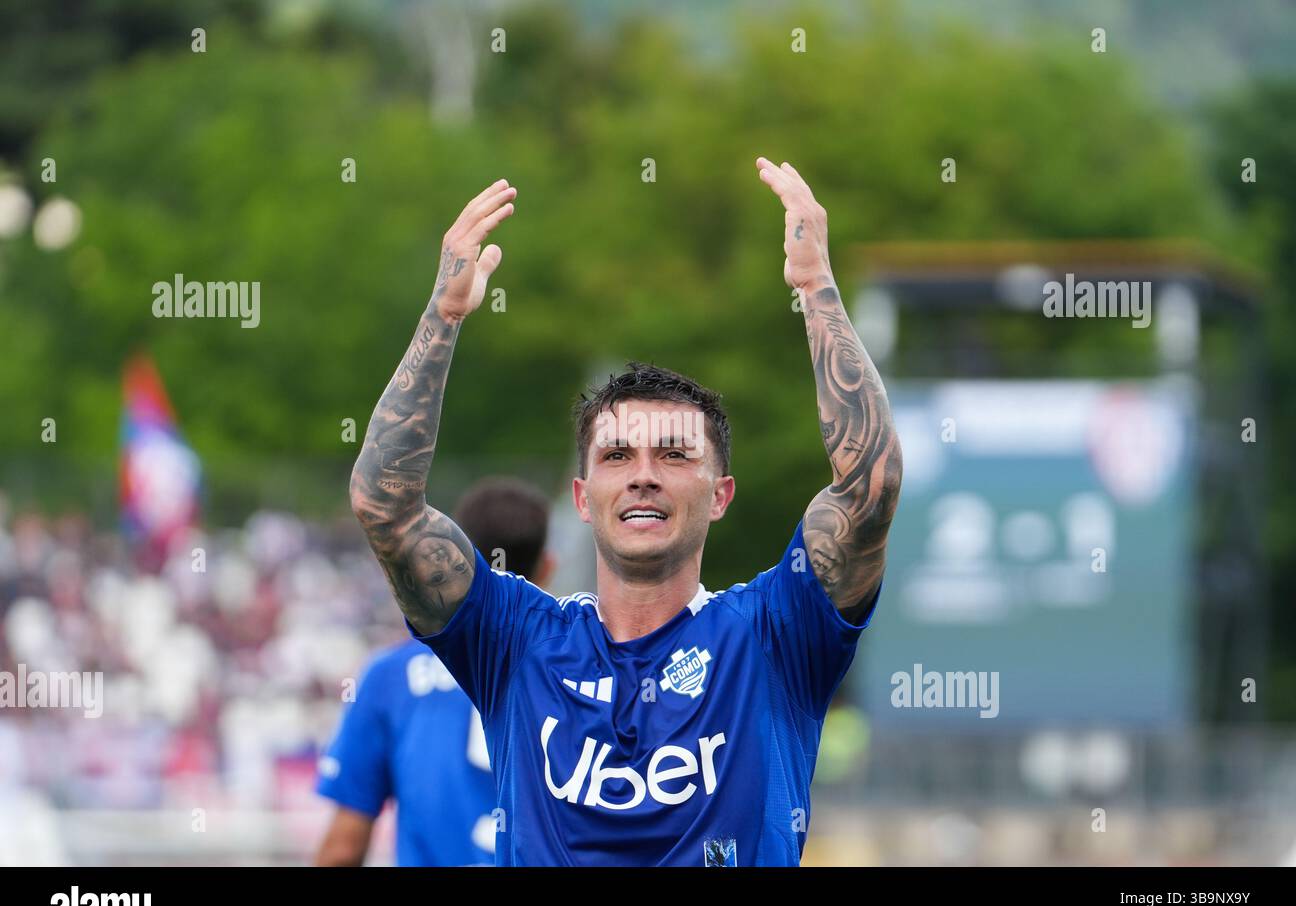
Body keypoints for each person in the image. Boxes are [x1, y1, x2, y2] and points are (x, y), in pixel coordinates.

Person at [348, 157, 902, 865]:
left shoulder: (774, 634)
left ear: (720, 494)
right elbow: (383, 506)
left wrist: (816, 287)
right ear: (582, 499)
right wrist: (444, 314)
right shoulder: (515, 640)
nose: (643, 476)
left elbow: (871, 486)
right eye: (616, 457)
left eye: (674, 455)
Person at [315, 477, 554, 866]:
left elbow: (344, 846)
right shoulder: (577, 670)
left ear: (458, 556)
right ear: (548, 565)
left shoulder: (389, 678)